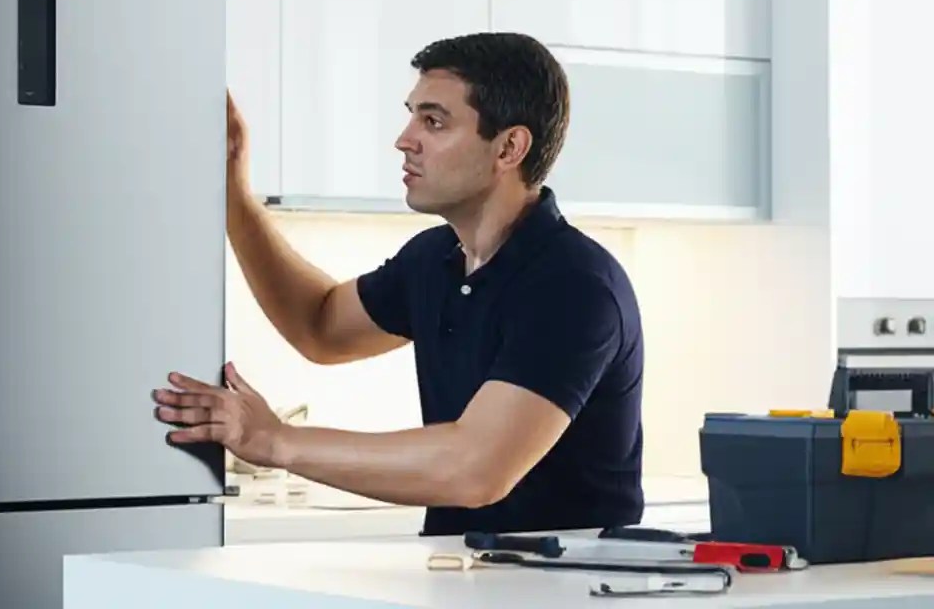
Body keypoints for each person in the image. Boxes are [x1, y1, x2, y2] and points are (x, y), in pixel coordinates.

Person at [153, 32, 645, 536]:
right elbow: (320, 325)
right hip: (468, 577)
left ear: (509, 147)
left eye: (433, 121)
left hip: (566, 590)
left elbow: (476, 468)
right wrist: (234, 189)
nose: (405, 139)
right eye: (412, 115)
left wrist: (277, 442)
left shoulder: (572, 286)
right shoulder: (435, 260)